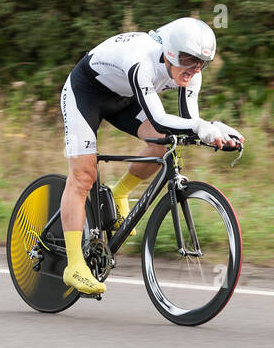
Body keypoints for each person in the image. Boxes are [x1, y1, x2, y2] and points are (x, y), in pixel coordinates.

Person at [58, 17, 242, 295]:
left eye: (201, 63)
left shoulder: (191, 73)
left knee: (161, 144)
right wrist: (202, 127)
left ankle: (120, 194)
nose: (193, 69)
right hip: (86, 92)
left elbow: (188, 123)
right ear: (169, 52)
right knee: (84, 175)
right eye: (187, 59)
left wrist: (214, 130)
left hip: (124, 98)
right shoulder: (141, 60)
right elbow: (160, 116)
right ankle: (73, 265)